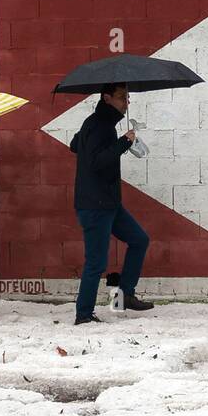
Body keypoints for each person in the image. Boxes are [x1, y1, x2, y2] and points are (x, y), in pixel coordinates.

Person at [70, 83, 153, 325]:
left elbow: (75, 145)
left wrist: (109, 143)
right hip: (95, 205)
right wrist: (123, 142)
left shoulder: (95, 123)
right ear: (107, 98)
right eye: (121, 97)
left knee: (139, 239)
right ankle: (83, 315)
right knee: (96, 262)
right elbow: (96, 161)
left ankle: (125, 293)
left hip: (108, 203)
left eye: (128, 97)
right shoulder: (100, 126)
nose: (126, 102)